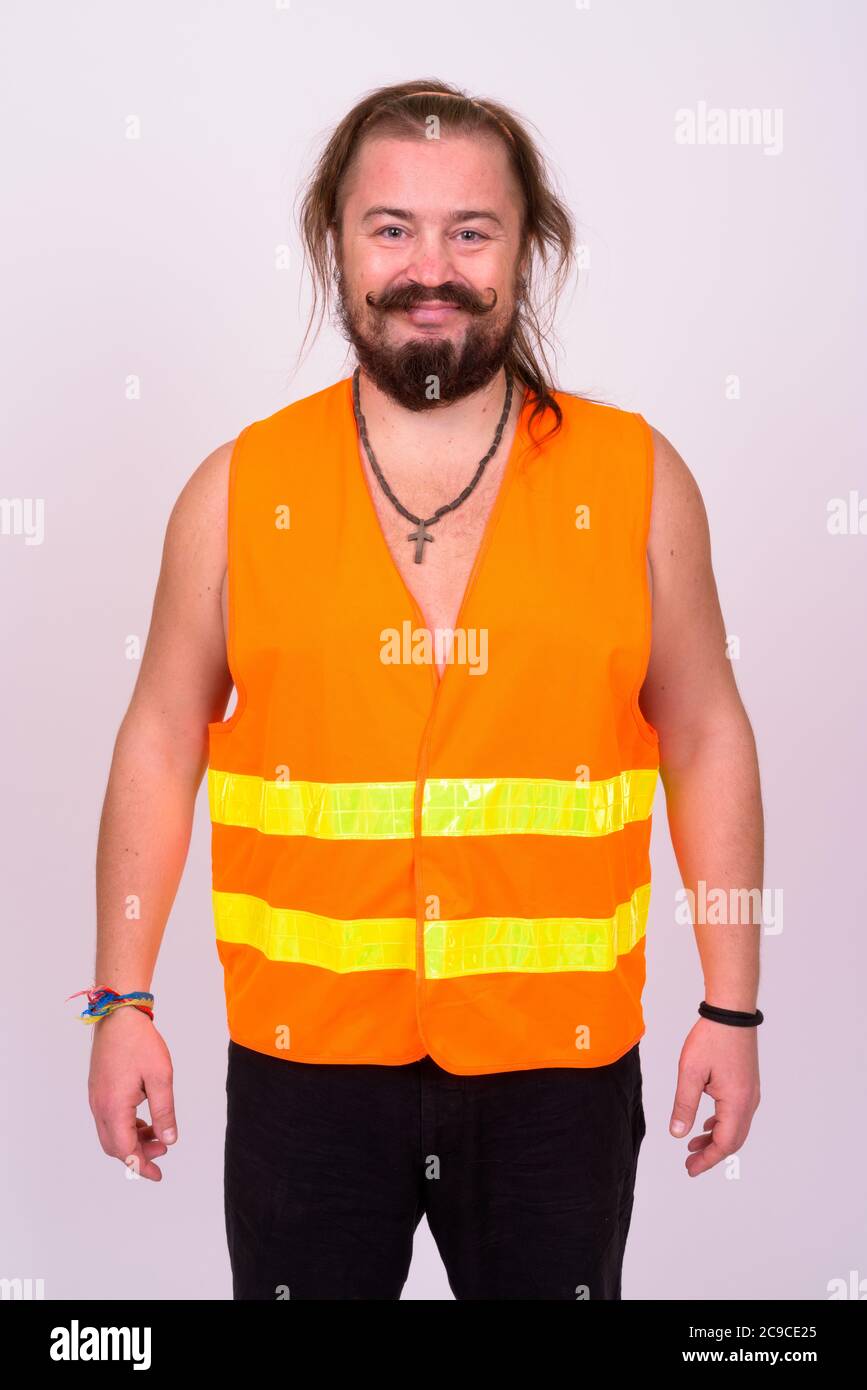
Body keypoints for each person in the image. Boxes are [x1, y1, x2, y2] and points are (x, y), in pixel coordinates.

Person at [86, 80, 763, 1300]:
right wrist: (118, 1000)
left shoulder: (639, 479)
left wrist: (734, 1004)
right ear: (334, 245)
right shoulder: (237, 493)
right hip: (305, 1071)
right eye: (390, 227)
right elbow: (159, 740)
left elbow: (706, 731)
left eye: (471, 230)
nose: (429, 266)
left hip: (559, 1069)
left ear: (529, 247)